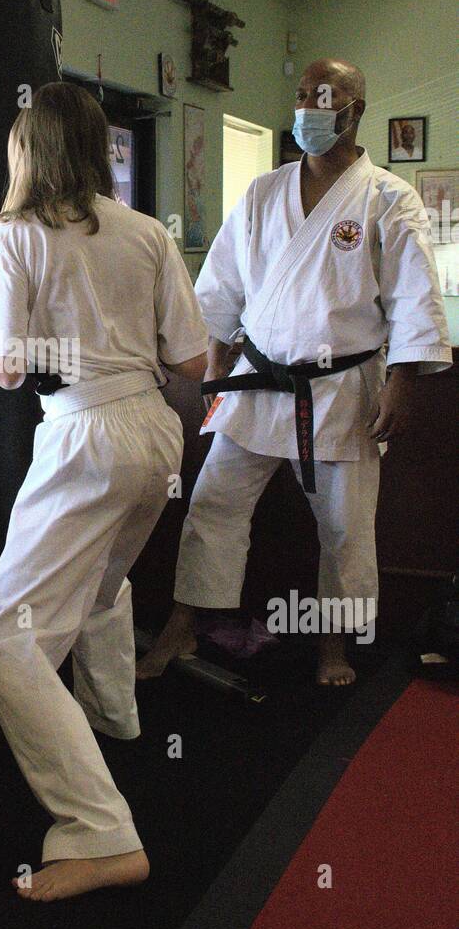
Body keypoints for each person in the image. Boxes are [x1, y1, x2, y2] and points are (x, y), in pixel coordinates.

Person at [137, 59, 452, 688]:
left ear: (354, 107)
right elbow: (223, 280)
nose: (307, 105)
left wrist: (405, 380)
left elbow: (415, 296)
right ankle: (183, 623)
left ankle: (331, 645)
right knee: (213, 504)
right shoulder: (263, 192)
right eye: (302, 94)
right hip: (258, 380)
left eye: (322, 95)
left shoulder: (388, 198)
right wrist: (218, 354)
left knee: (344, 526)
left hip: (341, 388)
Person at [0, 82, 208, 902]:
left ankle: (99, 831)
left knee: (6, 644)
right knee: (102, 587)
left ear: (27, 149)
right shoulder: (147, 232)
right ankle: (114, 722)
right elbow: (192, 363)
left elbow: (4, 366)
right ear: (99, 146)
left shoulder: (14, 233)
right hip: (156, 434)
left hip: (85, 436)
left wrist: (53, 340)